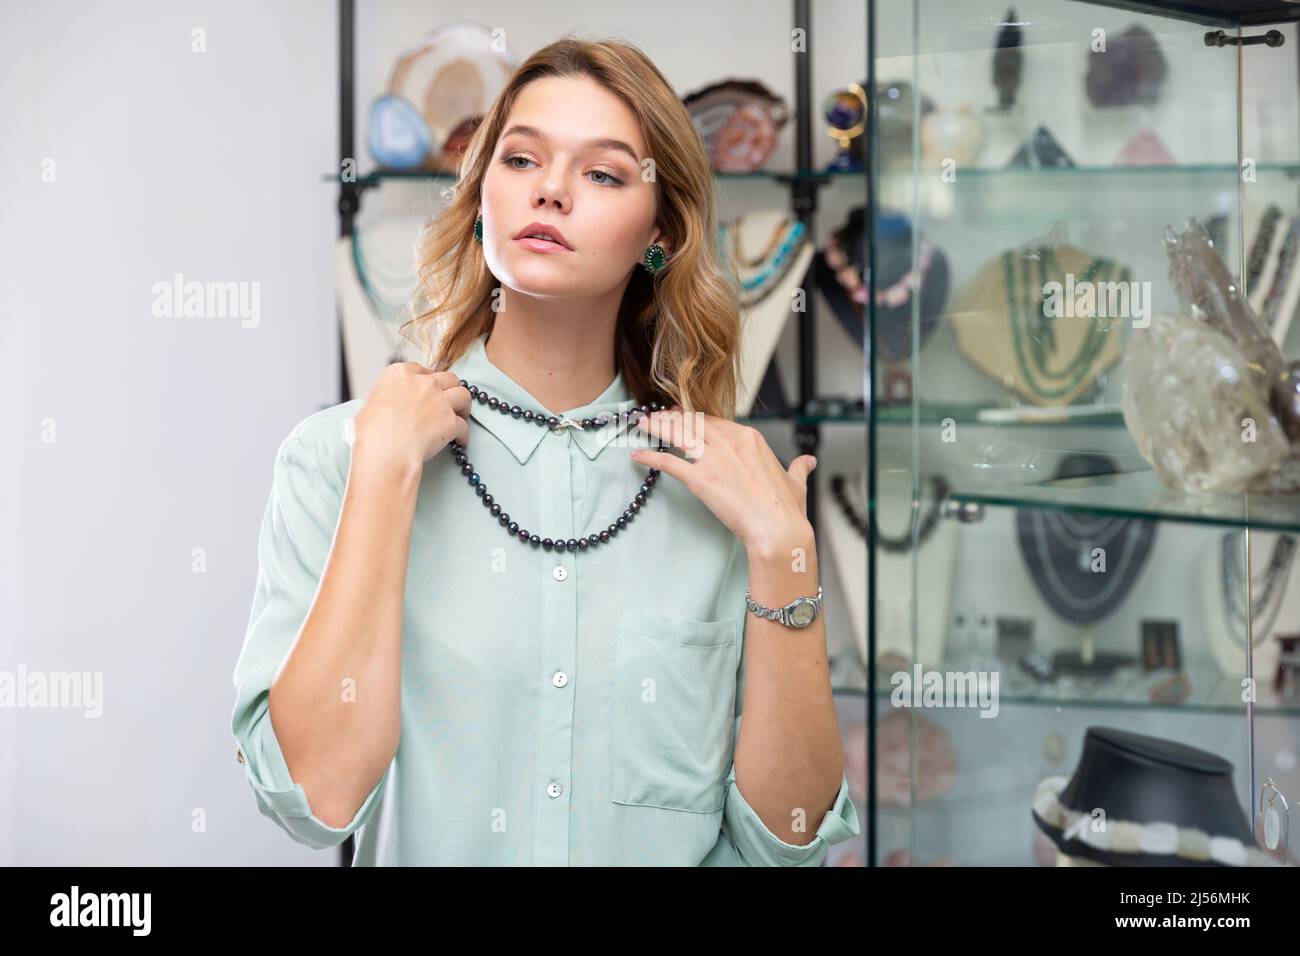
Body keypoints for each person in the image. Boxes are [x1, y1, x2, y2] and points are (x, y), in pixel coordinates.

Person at [231, 36, 859, 866]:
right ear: (483, 194)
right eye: (521, 159)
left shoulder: (729, 495)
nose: (552, 190)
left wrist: (785, 554)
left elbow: (792, 842)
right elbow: (317, 800)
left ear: (659, 231)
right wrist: (381, 479)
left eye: (601, 173)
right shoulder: (336, 458)